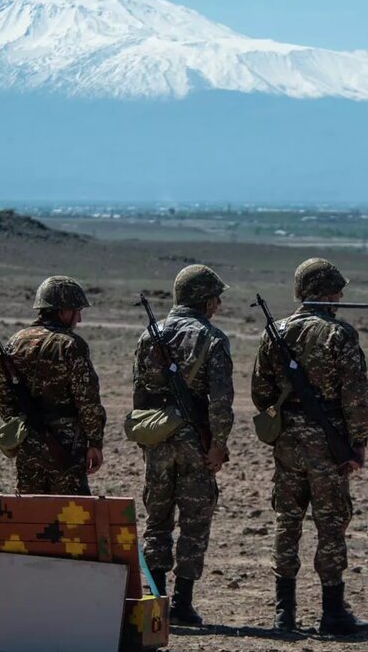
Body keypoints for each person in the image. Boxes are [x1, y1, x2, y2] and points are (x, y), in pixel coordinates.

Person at [251, 258, 368, 636]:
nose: (339, 299)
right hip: (328, 444)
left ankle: (283, 613)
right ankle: (332, 613)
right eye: (337, 292)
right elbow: (356, 398)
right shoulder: (340, 335)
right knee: (330, 524)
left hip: (288, 440)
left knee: (287, 521)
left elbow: (261, 393)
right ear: (328, 293)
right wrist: (357, 444)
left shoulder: (277, 332)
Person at [132, 265, 234, 626]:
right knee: (194, 520)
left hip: (157, 437)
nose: (219, 304)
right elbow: (221, 400)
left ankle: (157, 597)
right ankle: (183, 604)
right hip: (194, 440)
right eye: (216, 297)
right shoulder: (212, 338)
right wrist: (218, 444)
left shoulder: (150, 335)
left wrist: (148, 437)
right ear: (204, 300)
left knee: (157, 520)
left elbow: (139, 392)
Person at [0, 276, 105, 494]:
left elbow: (2, 400)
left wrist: (25, 425)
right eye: (76, 310)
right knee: (72, 516)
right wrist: (95, 442)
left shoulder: (16, 341)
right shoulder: (71, 345)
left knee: (31, 515)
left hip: (28, 444)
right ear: (62, 310)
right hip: (66, 447)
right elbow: (87, 401)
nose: (79, 319)